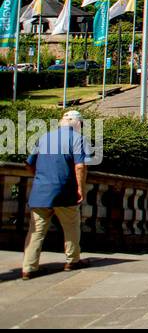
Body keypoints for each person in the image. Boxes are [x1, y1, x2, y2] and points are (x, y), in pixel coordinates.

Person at [22, 110, 88, 279]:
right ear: (77, 123)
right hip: (65, 191)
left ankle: (28, 268)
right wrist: (81, 188)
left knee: (36, 231)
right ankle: (72, 260)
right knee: (71, 226)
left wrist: (41, 177)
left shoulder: (44, 138)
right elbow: (79, 166)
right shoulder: (77, 139)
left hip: (41, 191)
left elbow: (29, 164)